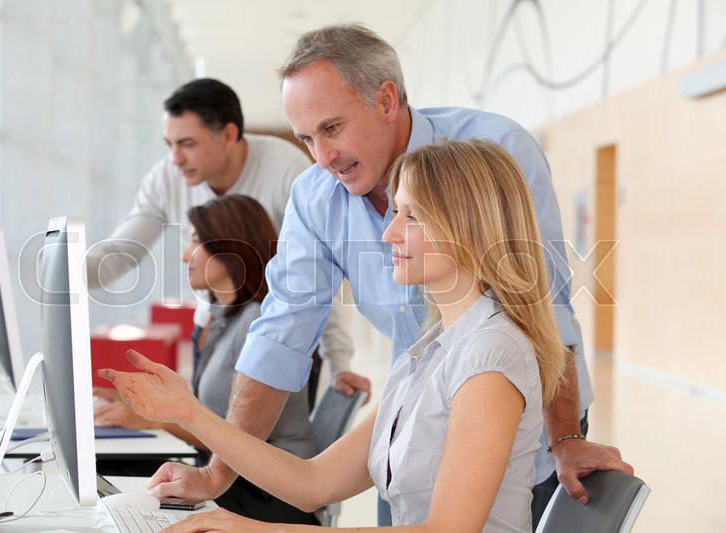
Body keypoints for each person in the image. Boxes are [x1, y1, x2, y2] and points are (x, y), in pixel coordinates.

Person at [138, 24, 632, 529]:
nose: (321, 157)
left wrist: (565, 437)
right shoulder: (419, 357)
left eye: (332, 128)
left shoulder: (492, 350)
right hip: (421, 418)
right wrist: (205, 446)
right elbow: (285, 346)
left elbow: (544, 310)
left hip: (524, 418)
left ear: (387, 100)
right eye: (306, 138)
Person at [101, 139, 579, 531]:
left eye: (411, 216)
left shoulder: (491, 355)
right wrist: (189, 413)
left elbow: (447, 531)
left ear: (468, 227)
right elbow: (314, 482)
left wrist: (254, 529)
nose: (389, 233)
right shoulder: (428, 352)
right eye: (396, 212)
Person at [85, 78, 371, 401]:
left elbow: (316, 276)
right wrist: (59, 269)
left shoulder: (285, 169)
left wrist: (339, 363)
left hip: (282, 335)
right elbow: (119, 255)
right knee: (207, 421)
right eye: (170, 144)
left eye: (187, 143)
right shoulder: (166, 178)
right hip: (213, 327)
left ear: (228, 135)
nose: (176, 158)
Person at [97, 194, 320, 525]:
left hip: (267, 492)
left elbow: (237, 437)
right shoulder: (222, 320)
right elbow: (212, 416)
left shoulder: (258, 325)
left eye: (196, 241)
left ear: (232, 246)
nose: (185, 255)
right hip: (230, 474)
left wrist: (156, 420)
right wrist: (136, 402)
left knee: (115, 474)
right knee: (112, 471)